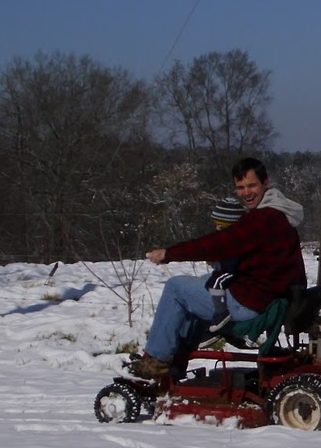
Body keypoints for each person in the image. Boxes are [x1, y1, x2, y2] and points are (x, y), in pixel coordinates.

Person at [128, 159, 306, 381]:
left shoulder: (263, 219)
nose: (246, 193)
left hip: (250, 303)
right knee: (201, 285)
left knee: (176, 288)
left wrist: (169, 253)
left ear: (265, 183)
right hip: (267, 299)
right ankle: (175, 362)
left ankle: (155, 360)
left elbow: (219, 245)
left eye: (251, 186)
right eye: (240, 187)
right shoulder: (280, 216)